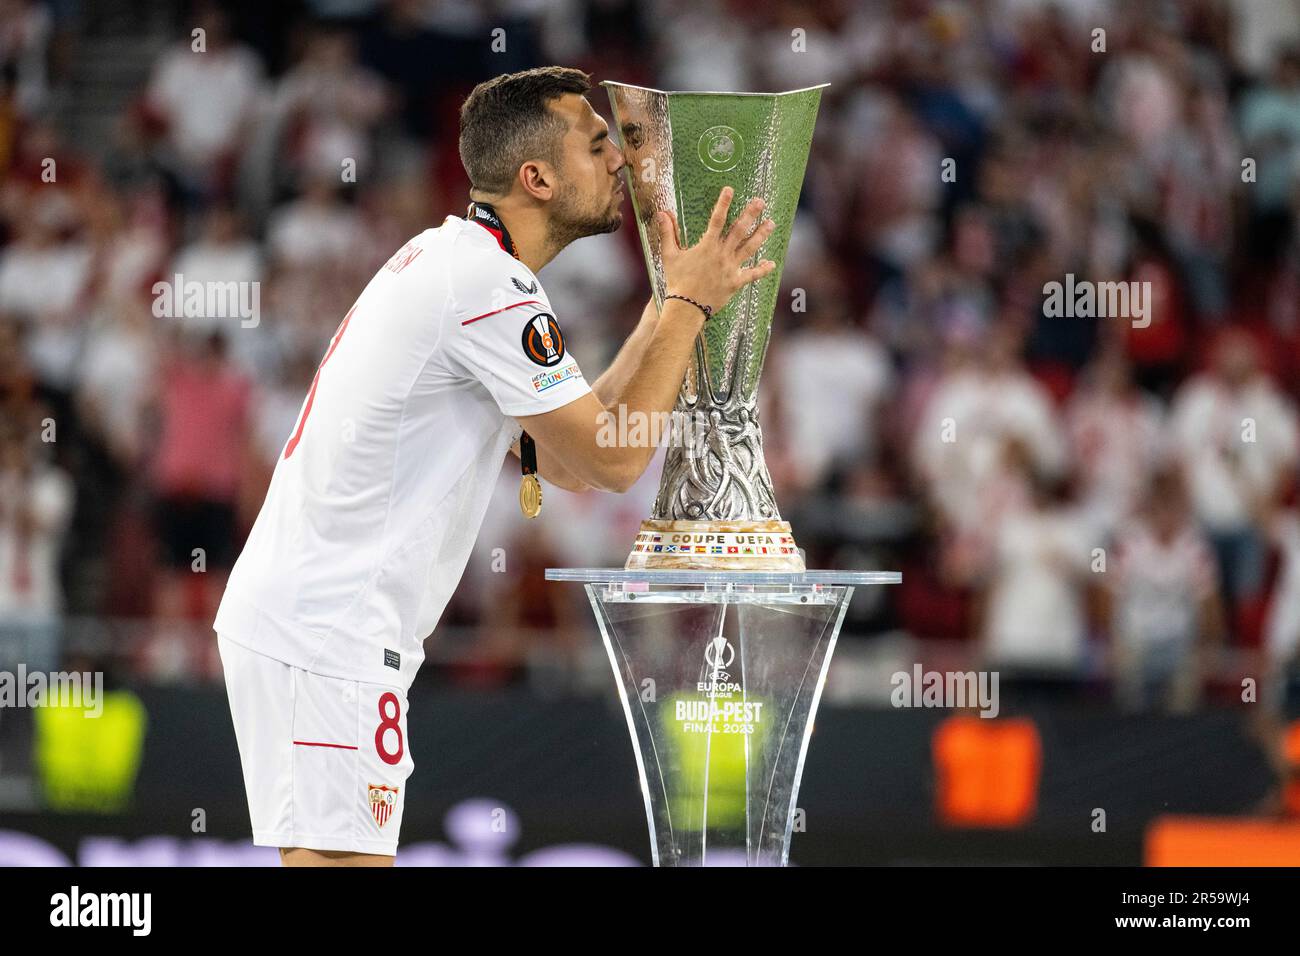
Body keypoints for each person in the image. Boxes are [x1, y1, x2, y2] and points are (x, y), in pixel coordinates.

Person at [212, 66, 777, 866]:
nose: (619, 159)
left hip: (318, 616)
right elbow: (617, 462)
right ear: (536, 177)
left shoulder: (456, 266)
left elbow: (576, 460)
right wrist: (690, 308)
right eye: (596, 143)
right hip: (330, 624)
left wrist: (662, 309)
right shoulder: (484, 285)